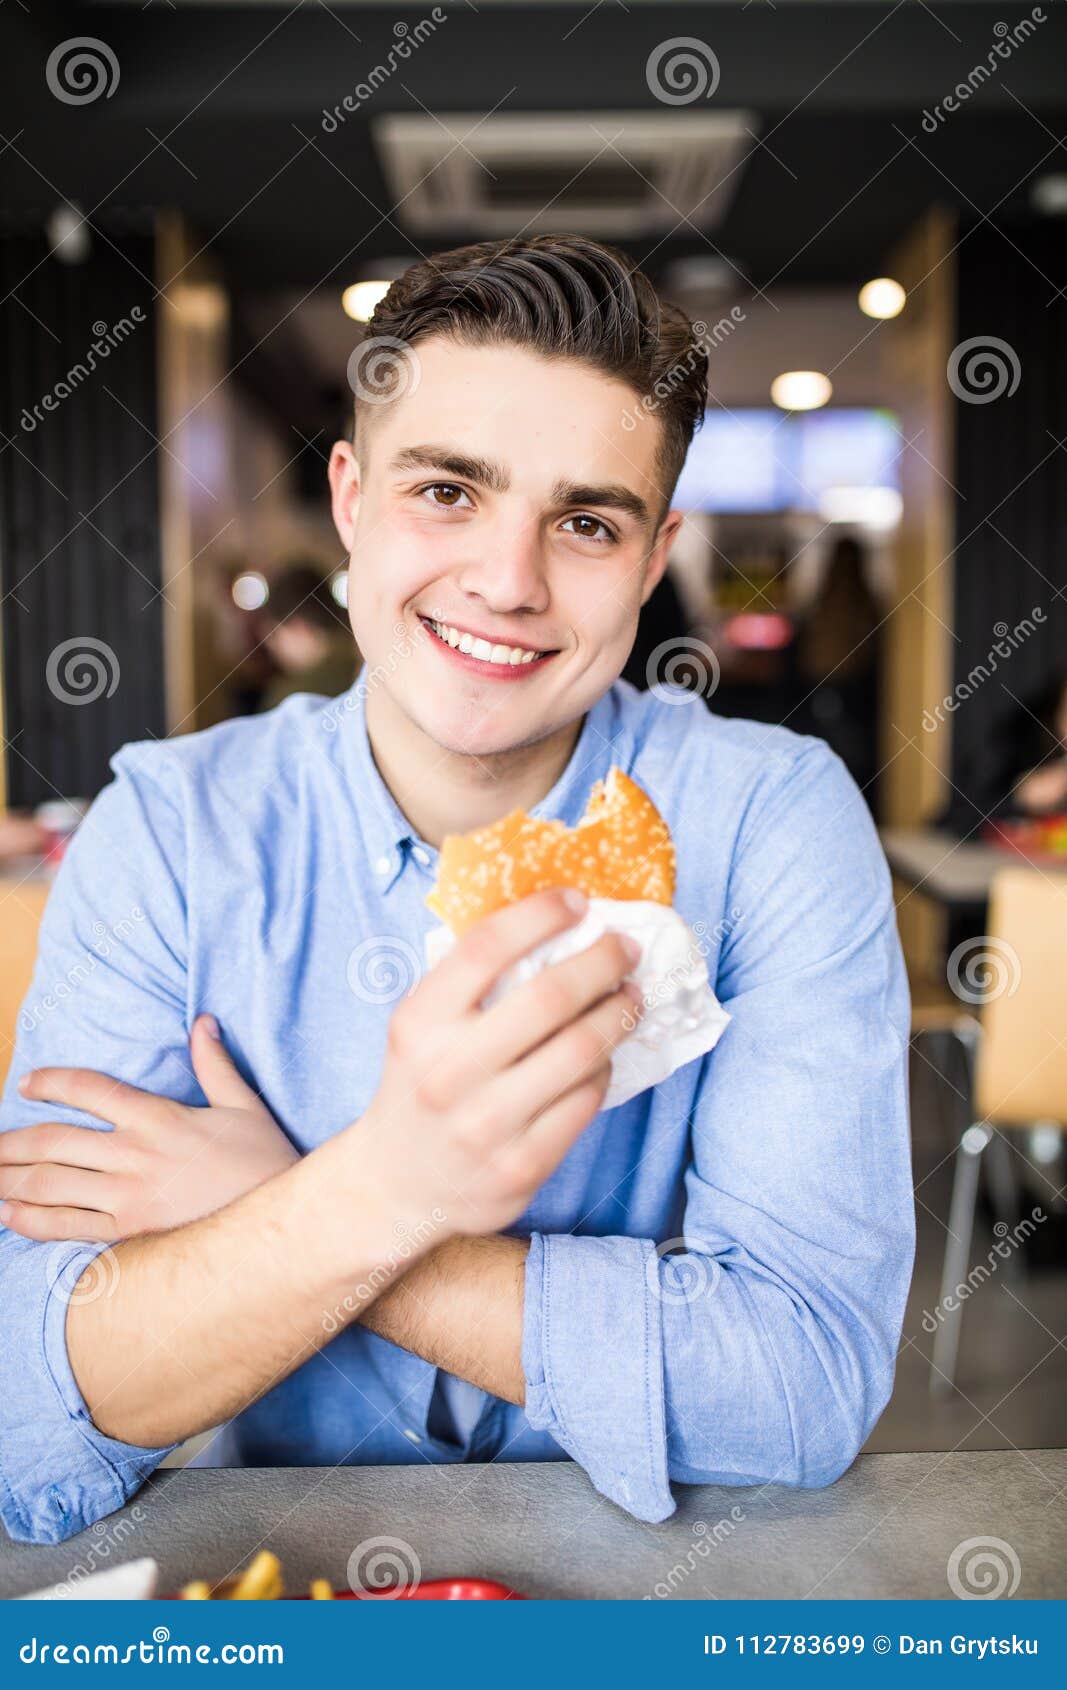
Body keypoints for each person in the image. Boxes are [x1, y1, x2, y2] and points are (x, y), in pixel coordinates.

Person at [0, 235, 913, 1545]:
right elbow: (25, 1420)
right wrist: (377, 1193)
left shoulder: (770, 820)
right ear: (350, 499)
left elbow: (798, 1384)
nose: (506, 581)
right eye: (445, 491)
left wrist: (318, 1213)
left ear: (650, 559)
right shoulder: (169, 831)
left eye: (584, 522)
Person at [256, 563, 358, 713]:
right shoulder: (366, 664)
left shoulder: (290, 700)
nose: (273, 647)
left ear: (299, 628)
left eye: (274, 634)